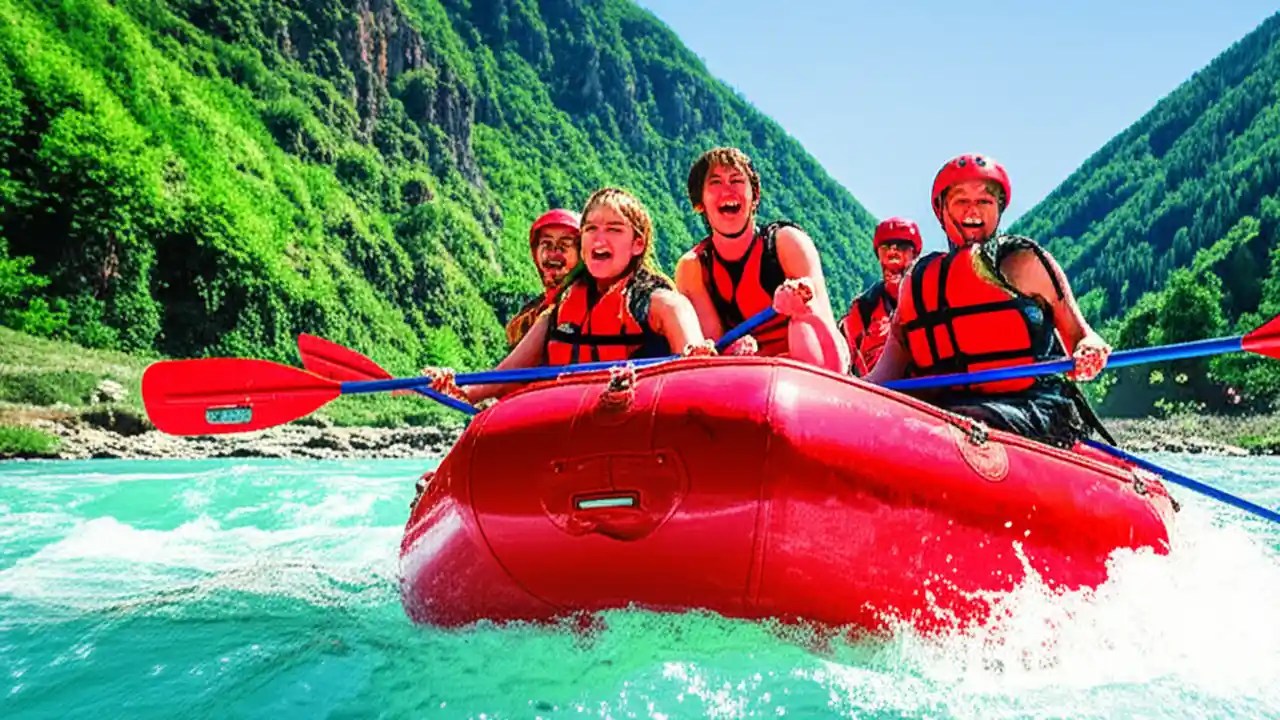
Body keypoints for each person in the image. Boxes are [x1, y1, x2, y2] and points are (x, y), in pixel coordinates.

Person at [865, 153, 1112, 448]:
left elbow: (1083, 337)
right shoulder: (915, 283)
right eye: (961, 200)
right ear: (942, 210)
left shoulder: (1022, 262)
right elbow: (882, 377)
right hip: (949, 415)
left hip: (1035, 411)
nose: (973, 210)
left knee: (960, 419)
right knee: (947, 419)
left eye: (985, 201)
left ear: (998, 210)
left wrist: (1090, 351)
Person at [426, 187, 711, 404]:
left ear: (638, 244)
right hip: (573, 430)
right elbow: (500, 379)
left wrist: (696, 354)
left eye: (613, 229)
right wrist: (452, 387)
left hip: (639, 424)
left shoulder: (662, 303)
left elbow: (696, 360)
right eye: (590, 230)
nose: (599, 239)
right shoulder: (559, 310)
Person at [674, 147, 850, 373]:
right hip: (748, 377)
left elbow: (822, 329)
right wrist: (732, 355)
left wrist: (800, 307)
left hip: (808, 368)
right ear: (700, 202)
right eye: (715, 183)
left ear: (754, 196)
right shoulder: (693, 267)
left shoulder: (786, 243)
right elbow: (714, 350)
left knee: (801, 317)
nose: (727, 192)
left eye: (736, 181)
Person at [839, 217, 921, 376]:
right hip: (874, 393)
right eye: (886, 247)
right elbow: (841, 354)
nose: (892, 252)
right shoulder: (864, 307)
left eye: (902, 247)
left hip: (922, 391)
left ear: (914, 255)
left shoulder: (930, 298)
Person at [505, 208, 581, 347]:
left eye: (564, 245)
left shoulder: (584, 304)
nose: (553, 253)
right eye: (546, 244)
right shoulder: (534, 309)